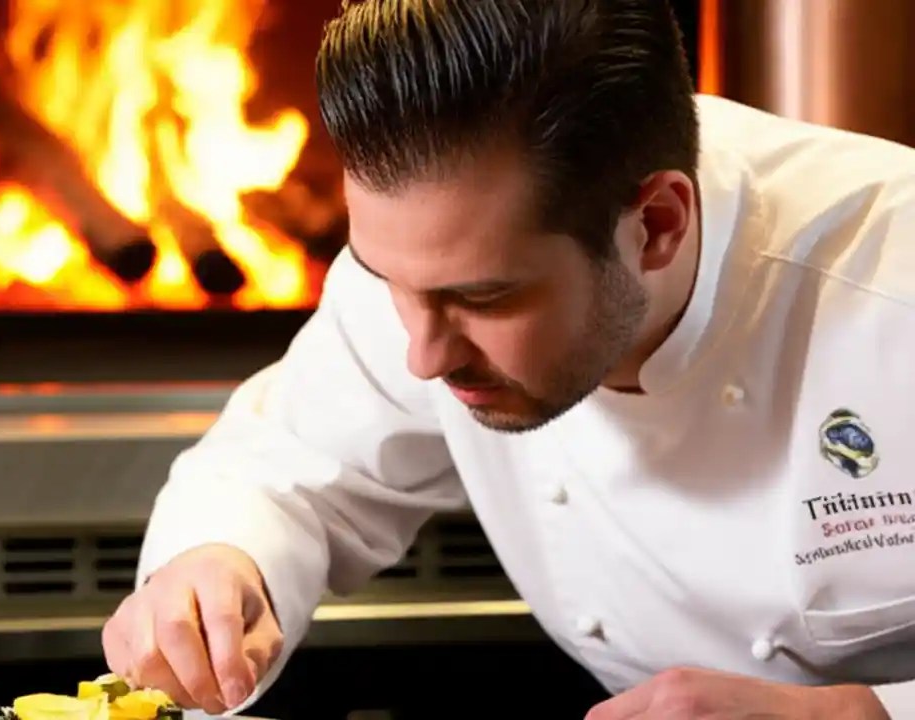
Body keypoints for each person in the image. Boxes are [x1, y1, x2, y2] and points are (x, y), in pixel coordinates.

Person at [101, 0, 915, 717]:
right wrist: (217, 565)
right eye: (389, 281)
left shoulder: (892, 284)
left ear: (658, 225)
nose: (420, 356)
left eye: (485, 299)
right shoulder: (429, 259)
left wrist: (859, 715)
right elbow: (279, 470)